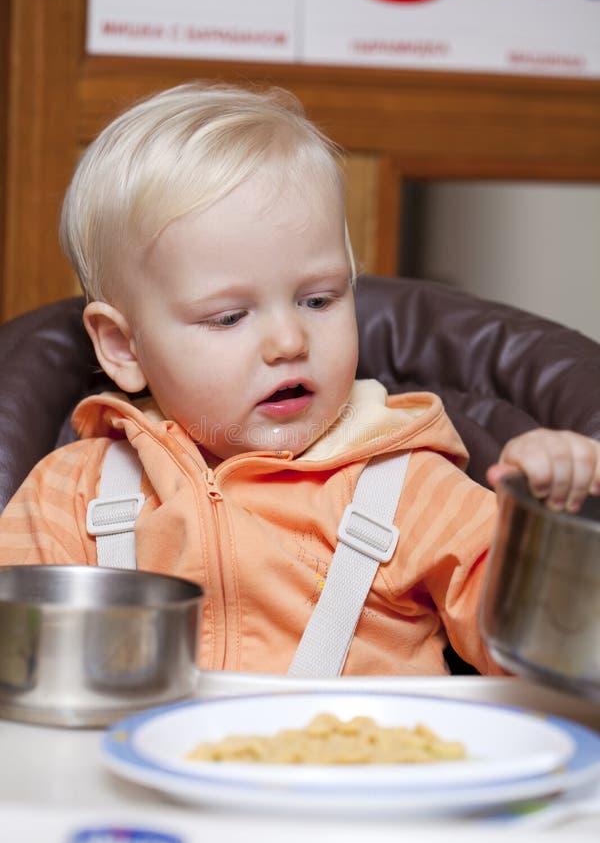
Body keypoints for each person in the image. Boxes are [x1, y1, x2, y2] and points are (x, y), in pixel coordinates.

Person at [0, 82, 598, 677]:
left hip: (365, 766)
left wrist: (543, 533)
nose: (289, 342)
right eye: (229, 317)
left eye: (318, 300)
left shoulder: (409, 488)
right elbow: (17, 665)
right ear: (124, 347)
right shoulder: (73, 494)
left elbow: (545, 652)